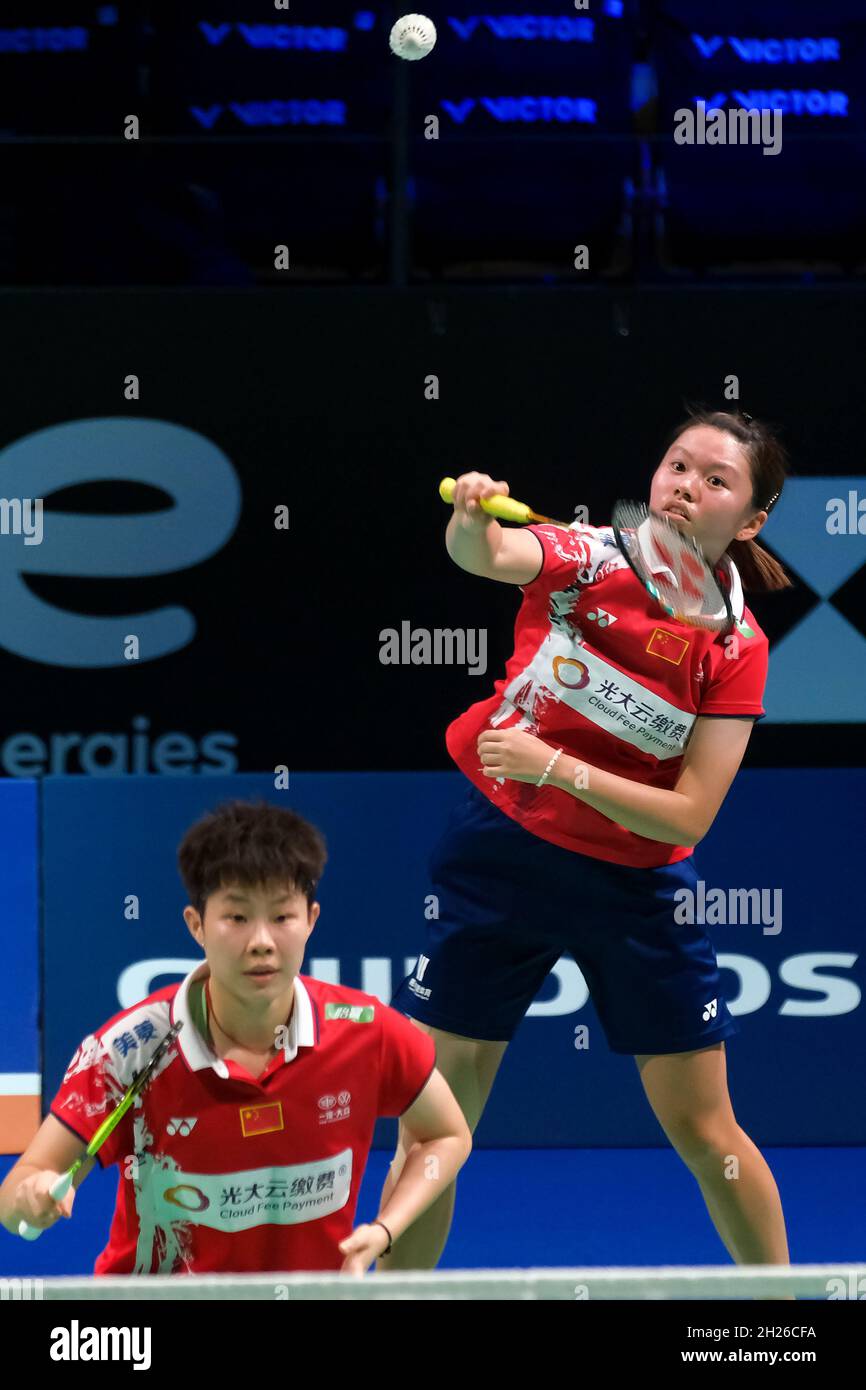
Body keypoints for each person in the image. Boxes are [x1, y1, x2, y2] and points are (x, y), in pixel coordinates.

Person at [382, 407, 793, 1271]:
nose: (686, 488)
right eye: (677, 466)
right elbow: (494, 555)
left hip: (635, 887)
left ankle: (788, 1318)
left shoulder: (736, 647)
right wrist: (469, 519)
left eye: (716, 481)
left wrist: (554, 767)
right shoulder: (589, 557)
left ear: (751, 520)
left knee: (705, 1127)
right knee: (439, 1122)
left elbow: (688, 815)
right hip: (502, 856)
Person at [0, 800, 471, 1275]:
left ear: (311, 919)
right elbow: (17, 1191)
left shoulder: (366, 1031)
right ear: (196, 925)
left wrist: (385, 1229)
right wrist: (29, 1198)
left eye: (283, 917)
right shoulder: (133, 1051)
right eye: (238, 918)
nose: (262, 941)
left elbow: (448, 1134)